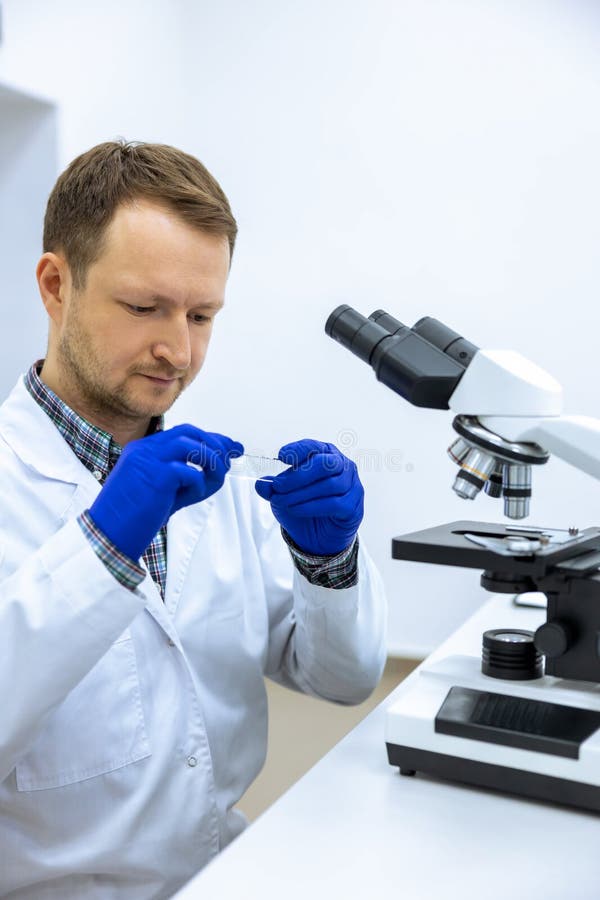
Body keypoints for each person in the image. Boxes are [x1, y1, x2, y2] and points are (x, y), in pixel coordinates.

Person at [0, 140, 387, 899]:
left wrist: (329, 563)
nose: (178, 349)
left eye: (202, 314)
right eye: (144, 307)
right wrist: (101, 551)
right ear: (56, 284)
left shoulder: (217, 482)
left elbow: (342, 679)